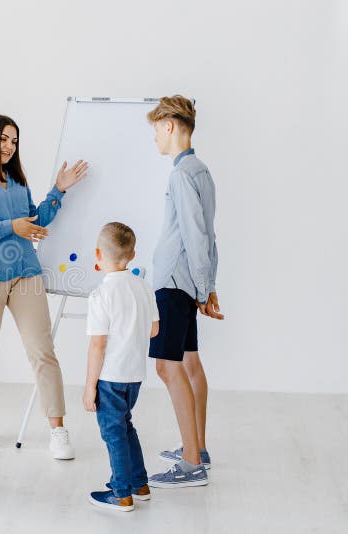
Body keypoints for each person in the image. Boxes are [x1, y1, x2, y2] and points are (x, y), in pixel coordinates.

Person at [0, 114, 88, 458]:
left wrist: (58, 190)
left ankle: (58, 428)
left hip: (25, 272)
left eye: (14, 141)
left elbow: (34, 222)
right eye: (3, 139)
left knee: (43, 351)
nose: (9, 147)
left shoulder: (17, 181)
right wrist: (10, 226)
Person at [145, 95, 223, 489]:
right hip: (188, 283)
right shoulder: (201, 171)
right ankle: (197, 448)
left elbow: (195, 234)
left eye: (157, 128)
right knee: (190, 363)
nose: (155, 137)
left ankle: (192, 463)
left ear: (171, 126)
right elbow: (208, 235)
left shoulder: (180, 174)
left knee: (167, 366)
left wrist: (203, 286)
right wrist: (208, 287)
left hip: (174, 282)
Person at [83, 223, 159, 512]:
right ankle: (139, 483)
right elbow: (153, 330)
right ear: (133, 254)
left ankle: (121, 492)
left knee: (113, 432)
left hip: (110, 376)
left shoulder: (101, 295)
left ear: (98, 254)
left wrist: (90, 387)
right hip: (135, 375)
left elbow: (98, 345)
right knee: (125, 425)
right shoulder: (143, 286)